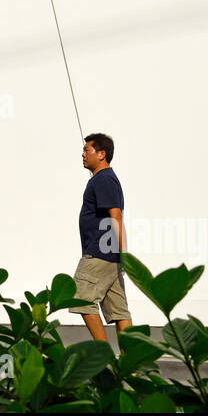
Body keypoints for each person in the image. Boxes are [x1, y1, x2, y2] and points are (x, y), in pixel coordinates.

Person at [70, 133, 133, 344]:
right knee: (119, 311)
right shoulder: (104, 179)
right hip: (109, 255)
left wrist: (124, 253)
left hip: (99, 253)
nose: (83, 154)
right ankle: (130, 366)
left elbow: (116, 215)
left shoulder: (104, 179)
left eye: (87, 150)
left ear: (101, 154)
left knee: (80, 297)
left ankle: (103, 354)